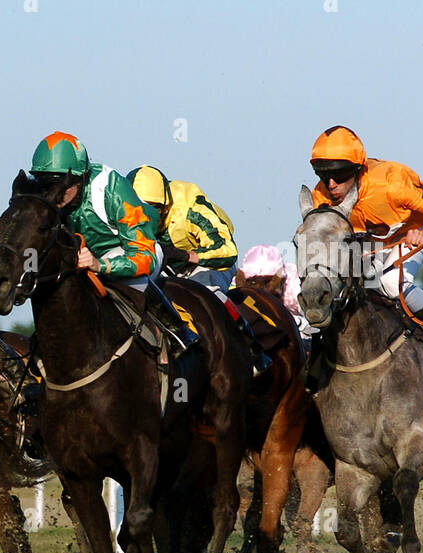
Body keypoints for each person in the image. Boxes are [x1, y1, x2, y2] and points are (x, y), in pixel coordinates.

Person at [307, 125, 423, 369]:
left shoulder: (394, 183)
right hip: (361, 250)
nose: (330, 184)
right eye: (322, 174)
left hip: (403, 242)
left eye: (339, 175)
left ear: (358, 170)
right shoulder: (321, 196)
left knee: (391, 284)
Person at [27, 132, 196, 357]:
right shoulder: (46, 201)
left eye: (60, 184)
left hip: (134, 251)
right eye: (46, 183)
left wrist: (101, 265)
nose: (54, 192)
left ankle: (178, 333)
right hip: (84, 260)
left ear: (80, 178)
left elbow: (144, 257)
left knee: (125, 282)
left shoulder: (109, 187)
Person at [129, 164, 269, 376]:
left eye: (154, 210)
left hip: (210, 258)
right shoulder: (118, 207)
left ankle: (254, 352)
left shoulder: (190, 209)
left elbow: (228, 251)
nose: (147, 217)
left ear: (166, 206)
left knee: (206, 292)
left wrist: (187, 257)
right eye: (139, 209)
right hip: (164, 261)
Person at [234, 244, 314, 340]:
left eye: (267, 281)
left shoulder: (295, 288)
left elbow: (316, 324)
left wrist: (295, 322)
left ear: (280, 279)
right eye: (253, 282)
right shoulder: (236, 289)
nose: (260, 289)